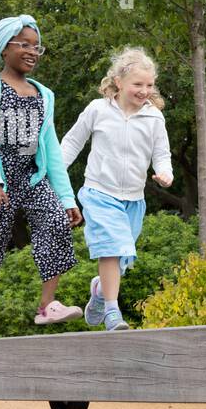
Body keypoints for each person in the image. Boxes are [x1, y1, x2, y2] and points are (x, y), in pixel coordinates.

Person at [0, 14, 84, 341]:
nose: (33, 51)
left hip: (32, 178)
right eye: (24, 44)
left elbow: (50, 147)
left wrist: (67, 199)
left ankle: (47, 305)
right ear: (4, 48)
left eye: (37, 47)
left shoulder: (43, 94)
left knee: (55, 222)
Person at [60, 46, 173, 332]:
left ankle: (99, 291)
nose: (144, 90)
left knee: (122, 257)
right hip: (99, 193)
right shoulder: (98, 110)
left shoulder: (154, 118)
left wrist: (165, 172)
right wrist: (55, 172)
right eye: (138, 84)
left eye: (149, 85)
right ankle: (113, 312)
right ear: (119, 82)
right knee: (112, 249)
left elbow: (161, 153)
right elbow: (73, 142)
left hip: (133, 200)